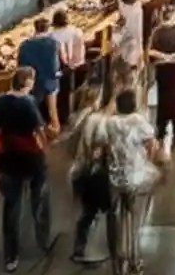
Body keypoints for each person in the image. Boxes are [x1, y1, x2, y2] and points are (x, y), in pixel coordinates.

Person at [0, 67, 53, 273]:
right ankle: (43, 241)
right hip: (31, 159)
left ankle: (11, 255)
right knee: (39, 198)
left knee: (11, 207)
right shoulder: (29, 104)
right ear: (28, 82)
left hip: (7, 160)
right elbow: (39, 132)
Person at [102, 90, 163, 275]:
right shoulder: (138, 120)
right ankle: (135, 259)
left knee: (116, 219)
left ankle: (117, 262)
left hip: (115, 176)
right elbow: (151, 144)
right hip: (136, 176)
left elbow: (104, 146)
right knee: (135, 222)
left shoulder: (110, 122)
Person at [67, 85, 112, 264]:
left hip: (76, 171)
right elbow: (98, 147)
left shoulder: (75, 118)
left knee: (85, 212)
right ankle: (93, 250)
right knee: (100, 211)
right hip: (91, 172)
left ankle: (79, 248)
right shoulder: (96, 119)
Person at [148, 15, 175, 141]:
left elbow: (151, 51)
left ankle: (161, 128)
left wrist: (164, 58)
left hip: (162, 69)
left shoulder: (158, 32)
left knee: (162, 95)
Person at [16, 18, 61, 132]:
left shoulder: (24, 45)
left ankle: (36, 128)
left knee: (33, 105)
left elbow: (21, 65)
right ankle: (55, 126)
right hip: (49, 81)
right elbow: (54, 65)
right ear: (48, 28)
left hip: (31, 81)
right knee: (52, 108)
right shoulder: (53, 43)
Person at [50, 9, 86, 125]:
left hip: (63, 72)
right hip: (80, 66)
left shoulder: (52, 36)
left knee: (62, 96)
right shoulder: (77, 31)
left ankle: (63, 119)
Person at [114, 0, 145, 100]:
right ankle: (129, 98)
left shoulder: (123, 9)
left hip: (123, 48)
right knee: (131, 78)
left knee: (121, 75)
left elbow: (120, 1)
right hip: (132, 48)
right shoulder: (138, 11)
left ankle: (120, 96)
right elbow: (138, 33)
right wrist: (141, 53)